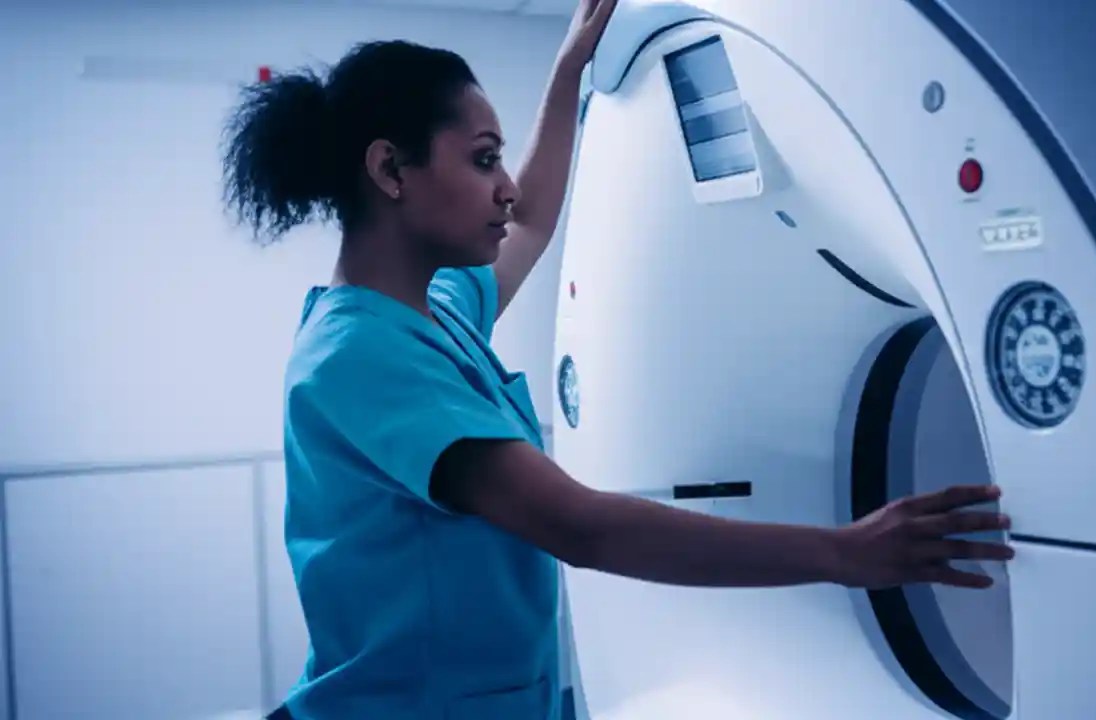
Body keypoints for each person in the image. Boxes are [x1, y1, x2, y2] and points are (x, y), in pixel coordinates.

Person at [221, 1, 1014, 717]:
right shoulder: (359, 358)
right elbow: (581, 527)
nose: (503, 187)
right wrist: (845, 553)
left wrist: (569, 73)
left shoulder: (434, 310)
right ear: (391, 170)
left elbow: (529, 221)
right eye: (482, 159)